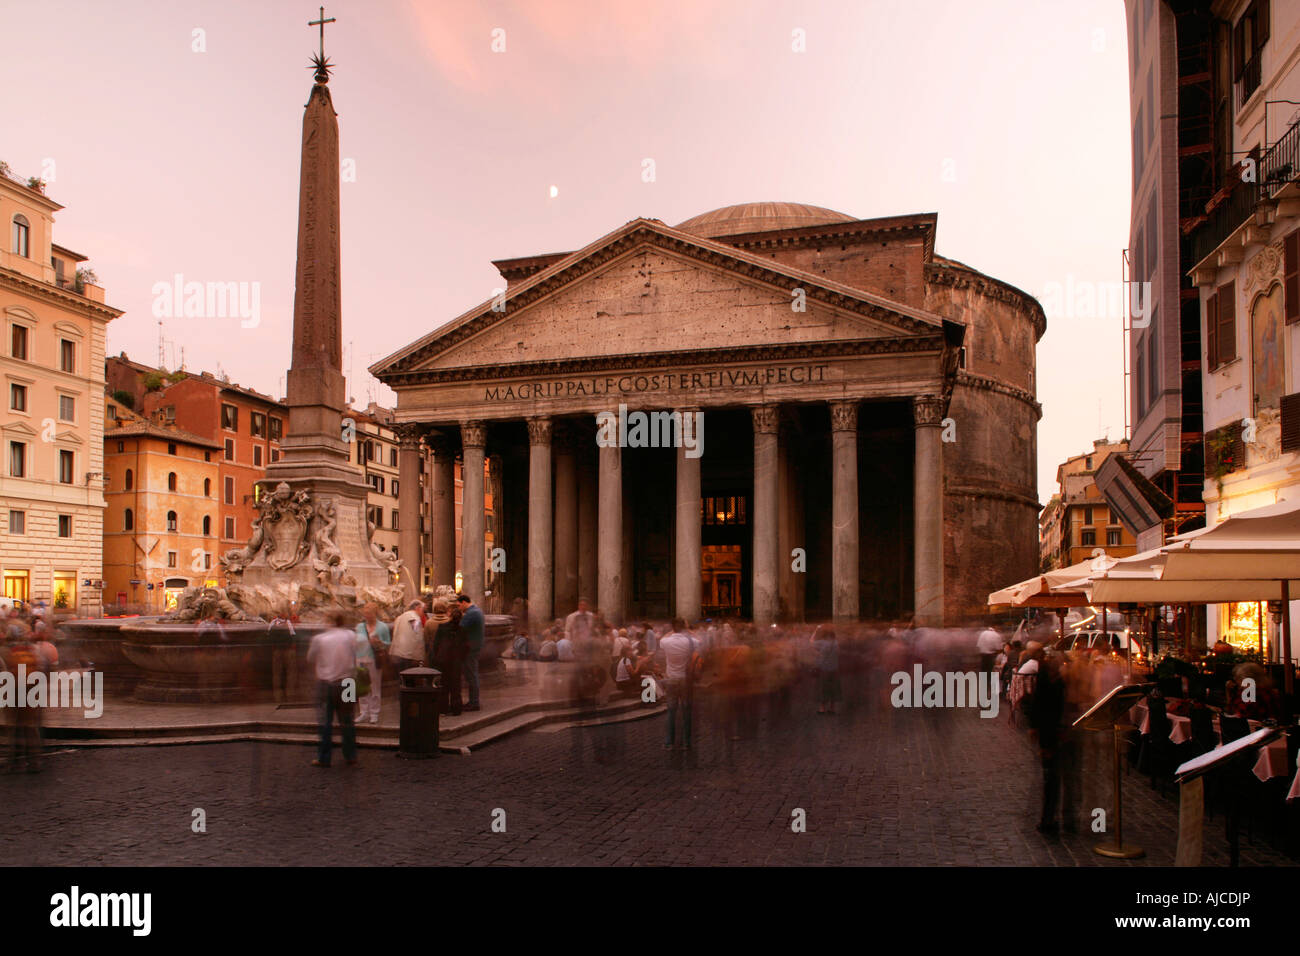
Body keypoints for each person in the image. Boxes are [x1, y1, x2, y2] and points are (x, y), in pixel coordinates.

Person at [307, 610, 358, 768]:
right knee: (348, 719)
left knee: (325, 722)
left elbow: (310, 657)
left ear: (329, 621)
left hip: (326, 683)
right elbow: (357, 652)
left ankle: (324, 757)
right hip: (348, 682)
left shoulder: (319, 639)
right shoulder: (350, 635)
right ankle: (350, 755)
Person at [659, 618, 699, 750]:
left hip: (671, 679)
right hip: (685, 680)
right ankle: (686, 743)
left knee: (671, 712)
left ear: (672, 627)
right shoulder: (690, 641)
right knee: (686, 712)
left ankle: (669, 743)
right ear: (683, 627)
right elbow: (700, 641)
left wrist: (672, 631)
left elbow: (662, 638)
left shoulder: (666, 641)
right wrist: (688, 631)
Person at [429, 600, 464, 717]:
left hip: (443, 660)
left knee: (444, 685)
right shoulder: (462, 629)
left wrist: (435, 656)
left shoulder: (442, 627)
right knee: (455, 685)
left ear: (449, 615)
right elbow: (466, 646)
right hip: (456, 661)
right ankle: (456, 708)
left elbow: (436, 644)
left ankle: (443, 708)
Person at [354, 604, 386, 724]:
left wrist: (378, 642)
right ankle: (364, 712)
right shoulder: (359, 627)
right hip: (360, 659)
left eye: (369, 613)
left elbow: (387, 643)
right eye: (365, 613)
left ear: (375, 613)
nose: (367, 615)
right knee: (362, 687)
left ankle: (374, 712)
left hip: (374, 659)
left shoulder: (382, 627)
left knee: (374, 687)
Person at [457, 593, 484, 711]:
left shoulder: (471, 613)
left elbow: (460, 627)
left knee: (471, 675)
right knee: (472, 674)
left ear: (464, 602)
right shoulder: (477, 611)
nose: (458, 608)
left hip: (470, 648)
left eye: (459, 605)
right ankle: (474, 701)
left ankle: (474, 702)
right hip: (475, 646)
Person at [389, 600, 426, 676]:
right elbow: (418, 636)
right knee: (408, 679)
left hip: (396, 653)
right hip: (407, 655)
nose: (423, 614)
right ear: (418, 608)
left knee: (400, 678)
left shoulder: (399, 617)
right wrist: (420, 656)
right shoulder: (414, 618)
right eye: (423, 610)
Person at [813, 626, 841, 715]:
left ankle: (822, 708)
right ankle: (832, 708)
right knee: (833, 688)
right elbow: (838, 653)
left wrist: (816, 630)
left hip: (824, 669)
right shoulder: (836, 643)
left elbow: (811, 641)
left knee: (823, 688)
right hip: (834, 669)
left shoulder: (822, 643)